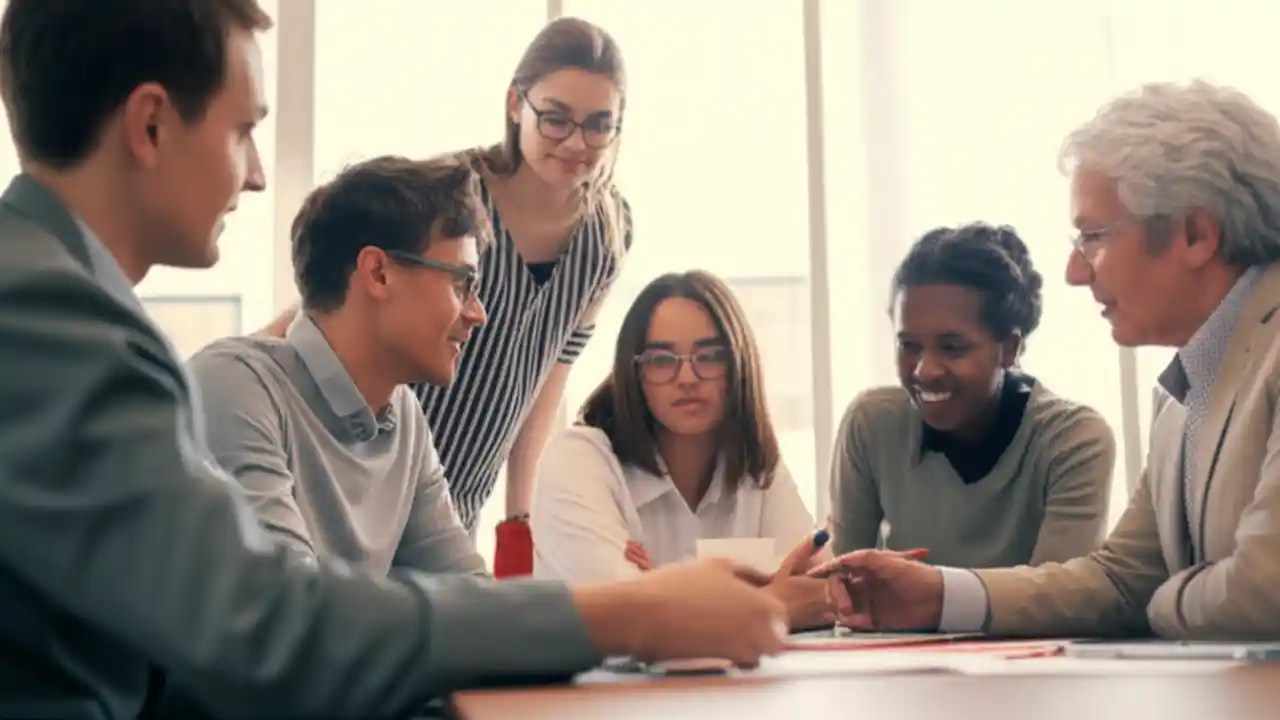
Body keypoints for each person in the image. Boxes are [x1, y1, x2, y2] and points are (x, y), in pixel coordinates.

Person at [0, 2, 794, 717]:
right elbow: (265, 628)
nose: (256, 172)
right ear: (149, 126)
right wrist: (636, 613)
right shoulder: (47, 318)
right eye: (243, 129)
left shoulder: (62, 304)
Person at [814, 80, 1280, 641]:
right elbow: (1122, 580)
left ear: (1196, 234)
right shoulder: (1182, 392)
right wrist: (939, 595)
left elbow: (1262, 592)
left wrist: (1161, 600)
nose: (1075, 272)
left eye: (1093, 237)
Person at [263, 18, 633, 575]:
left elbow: (545, 382)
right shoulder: (450, 194)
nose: (577, 143)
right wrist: (242, 380)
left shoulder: (607, 235)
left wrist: (519, 523)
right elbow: (328, 306)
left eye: (599, 125)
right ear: (516, 105)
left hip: (460, 494)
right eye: (555, 119)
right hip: (366, 472)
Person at [188, 155, 490, 577]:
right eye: (462, 283)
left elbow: (468, 590)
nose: (479, 313)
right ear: (378, 273)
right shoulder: (236, 385)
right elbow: (289, 608)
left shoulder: (403, 416)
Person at [531, 271, 826, 626]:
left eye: (710, 356)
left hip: (738, 681)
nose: (686, 378)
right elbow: (625, 618)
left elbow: (819, 593)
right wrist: (774, 604)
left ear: (738, 365)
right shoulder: (577, 459)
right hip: (603, 683)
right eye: (662, 360)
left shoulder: (757, 465)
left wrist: (658, 587)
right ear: (635, 372)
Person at [830, 222, 1114, 568]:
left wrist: (934, 596)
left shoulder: (1072, 441)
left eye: (953, 348)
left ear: (1009, 349)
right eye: (909, 345)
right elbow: (840, 580)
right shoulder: (872, 424)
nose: (924, 370)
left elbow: (1059, 603)